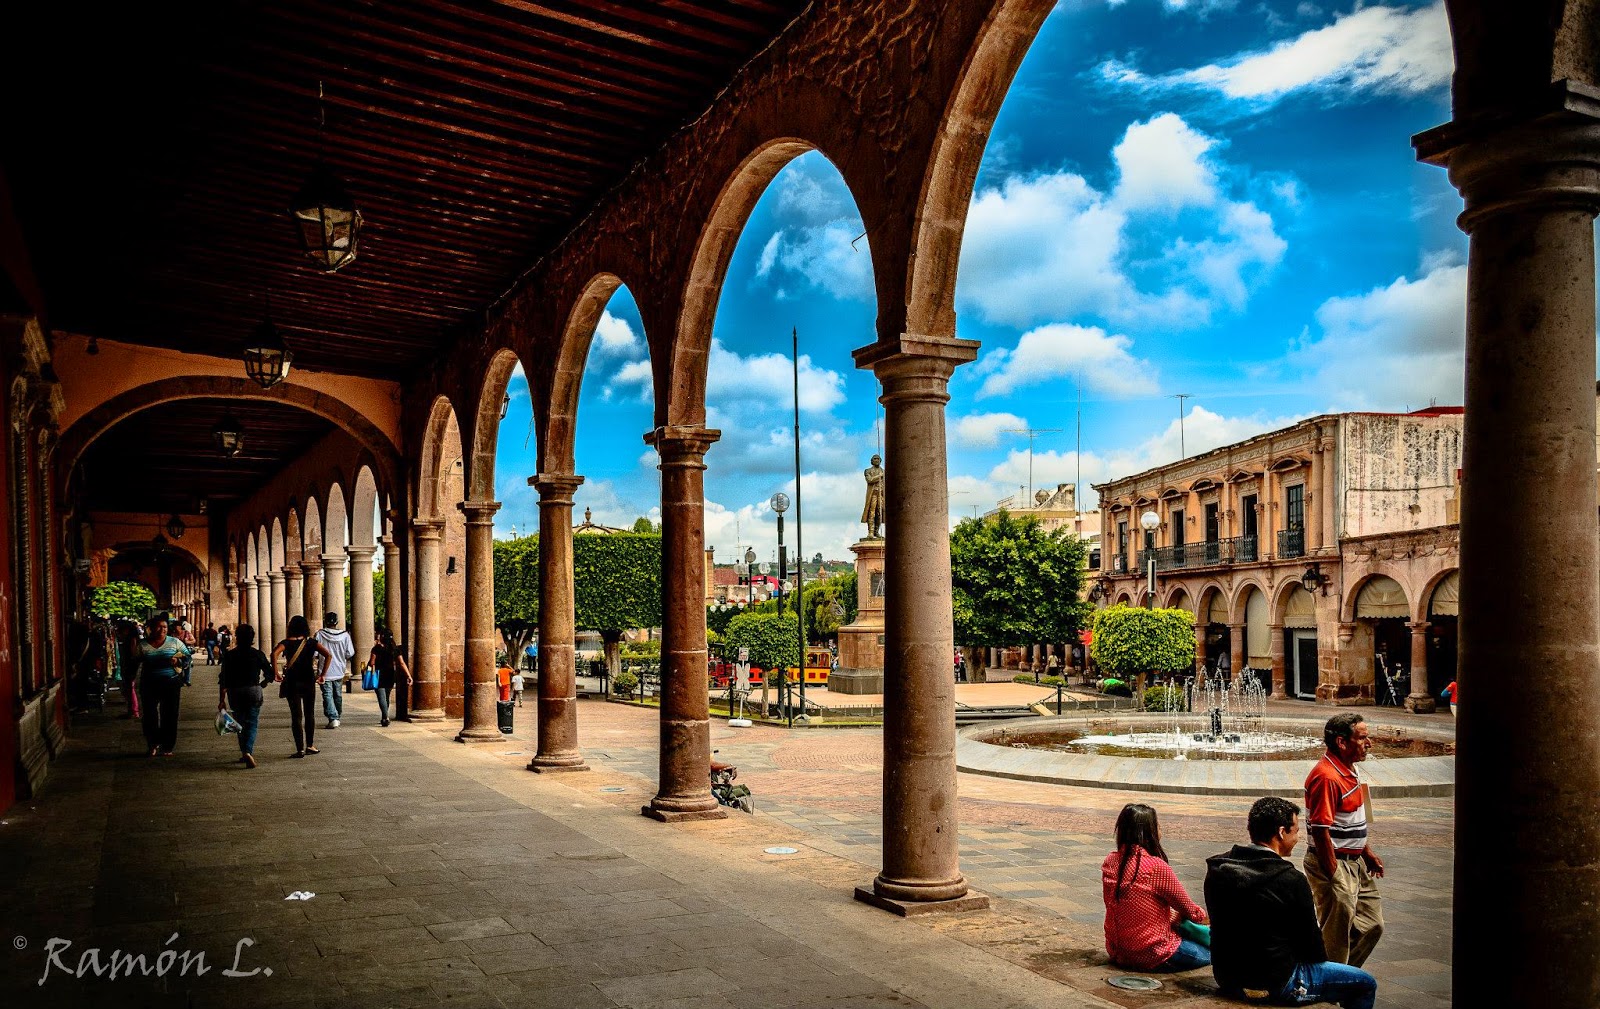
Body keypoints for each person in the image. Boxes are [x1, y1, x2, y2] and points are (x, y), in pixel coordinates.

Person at [1205, 796, 1377, 1009]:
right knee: (1365, 983)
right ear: (1281, 832)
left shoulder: (1218, 869)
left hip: (1228, 975)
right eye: (1295, 831)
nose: (1297, 838)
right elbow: (1312, 949)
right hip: (1279, 980)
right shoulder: (1291, 879)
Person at [1304, 713, 1384, 967]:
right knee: (1335, 938)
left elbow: (1350, 820)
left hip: (1355, 860)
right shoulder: (1327, 777)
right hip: (1335, 862)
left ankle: (1342, 977)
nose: (1369, 743)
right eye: (1362, 738)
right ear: (1341, 742)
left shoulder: (1350, 769)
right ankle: (1329, 989)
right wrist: (1334, 872)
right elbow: (1320, 829)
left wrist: (1366, 851)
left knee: (1372, 925)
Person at [1101, 803, 1210, 972]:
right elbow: (1193, 913)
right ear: (1149, 832)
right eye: (1158, 825)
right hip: (1152, 954)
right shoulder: (1155, 867)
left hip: (1117, 951)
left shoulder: (1110, 861)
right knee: (1216, 953)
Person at [273, 615, 333, 757]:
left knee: (296, 716)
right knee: (309, 713)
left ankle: (299, 749)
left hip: (292, 681)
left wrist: (276, 673)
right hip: (308, 680)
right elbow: (328, 655)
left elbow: (274, 654)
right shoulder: (311, 642)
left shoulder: (286, 643)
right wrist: (322, 674)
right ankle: (310, 745)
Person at [217, 624, 273, 768]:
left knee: (239, 723)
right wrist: (264, 682)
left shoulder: (229, 655)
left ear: (237, 637)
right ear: (252, 638)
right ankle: (248, 751)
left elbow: (223, 678)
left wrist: (221, 700)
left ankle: (244, 752)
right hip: (253, 690)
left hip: (235, 692)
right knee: (252, 723)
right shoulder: (257, 654)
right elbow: (270, 672)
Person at [135, 615, 192, 757]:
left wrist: (177, 660)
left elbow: (187, 658)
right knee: (149, 715)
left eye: (165, 627)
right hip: (149, 684)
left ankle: (167, 746)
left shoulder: (175, 642)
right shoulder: (143, 645)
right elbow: (135, 661)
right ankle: (152, 743)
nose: (162, 630)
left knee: (170, 715)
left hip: (171, 683)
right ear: (151, 629)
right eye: (159, 627)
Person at [314, 611, 356, 728]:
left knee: (327, 694)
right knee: (338, 694)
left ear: (325, 622)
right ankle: (337, 715)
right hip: (339, 669)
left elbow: (315, 653)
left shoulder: (320, 635)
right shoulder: (345, 635)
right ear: (337, 622)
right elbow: (350, 653)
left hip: (325, 670)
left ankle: (333, 717)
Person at [367, 626, 412, 727]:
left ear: (382, 637)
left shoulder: (377, 648)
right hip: (391, 674)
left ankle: (385, 717)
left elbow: (372, 662)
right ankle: (385, 716)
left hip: (378, 674)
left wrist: (369, 667)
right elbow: (402, 663)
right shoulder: (395, 649)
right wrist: (408, 675)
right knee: (386, 696)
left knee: (381, 697)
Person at [115, 621, 141, 719]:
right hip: (129, 665)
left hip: (131, 666)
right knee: (130, 688)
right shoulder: (130, 638)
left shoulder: (132, 639)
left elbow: (133, 653)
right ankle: (132, 710)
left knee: (131, 688)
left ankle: (134, 710)